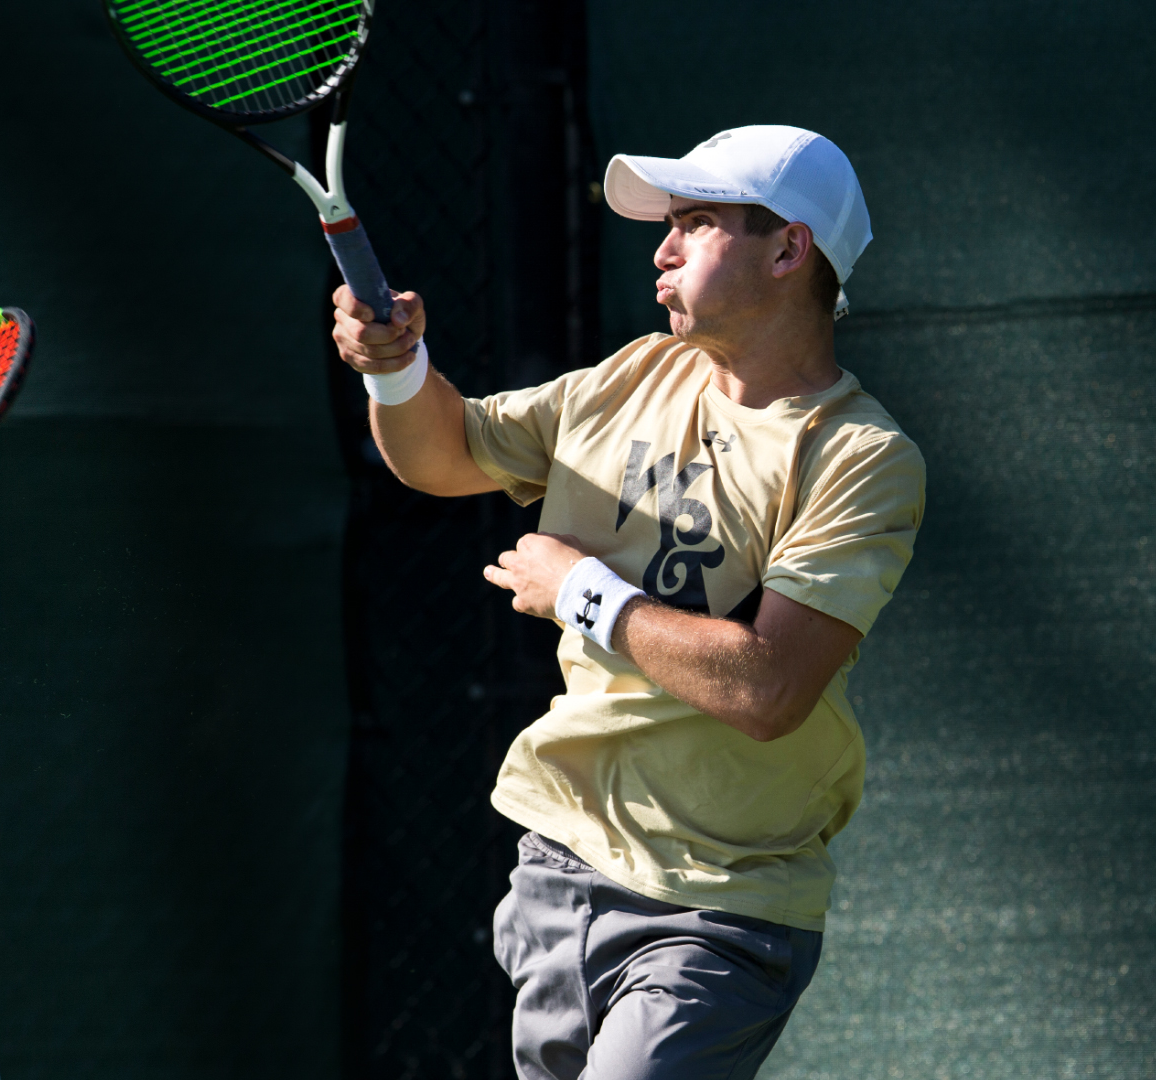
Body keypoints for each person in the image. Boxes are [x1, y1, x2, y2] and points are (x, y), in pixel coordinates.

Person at [330, 126, 924, 1079]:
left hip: (722, 905)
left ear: (788, 249)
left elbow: (768, 690)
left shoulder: (860, 459)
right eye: (668, 225)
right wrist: (396, 367)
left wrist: (580, 591)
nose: (663, 248)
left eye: (695, 223)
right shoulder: (633, 376)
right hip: (560, 864)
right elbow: (444, 454)